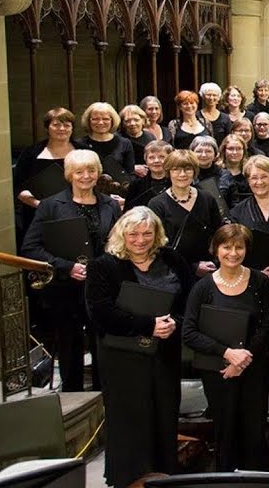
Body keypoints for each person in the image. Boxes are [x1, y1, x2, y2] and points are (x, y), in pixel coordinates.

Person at [85, 208, 196, 488]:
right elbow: (101, 313)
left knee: (164, 410)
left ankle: (164, 475)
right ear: (122, 234)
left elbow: (188, 303)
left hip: (164, 352)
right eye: (133, 233)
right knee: (129, 416)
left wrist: (174, 324)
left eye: (147, 233)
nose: (140, 239)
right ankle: (130, 477)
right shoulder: (103, 266)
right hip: (122, 356)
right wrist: (148, 325)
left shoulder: (173, 259)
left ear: (157, 234)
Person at [20, 150, 121, 391]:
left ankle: (101, 393)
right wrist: (67, 267)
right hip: (66, 289)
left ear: (98, 173)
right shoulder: (50, 206)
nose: (86, 176)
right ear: (69, 175)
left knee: (102, 342)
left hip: (102, 288)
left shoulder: (110, 205)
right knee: (69, 344)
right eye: (79, 171)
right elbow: (30, 248)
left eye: (91, 170)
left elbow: (117, 243)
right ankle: (73, 393)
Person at [182, 224, 269, 472]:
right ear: (215, 249)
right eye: (226, 247)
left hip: (255, 367)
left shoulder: (260, 281)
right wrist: (228, 355)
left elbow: (267, 325)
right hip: (218, 371)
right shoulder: (201, 287)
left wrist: (243, 360)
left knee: (255, 429)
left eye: (239, 247)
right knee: (226, 430)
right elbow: (189, 332)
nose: (233, 253)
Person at [148, 149, 225, 278]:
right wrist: (193, 267)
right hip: (173, 273)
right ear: (168, 172)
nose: (182, 174)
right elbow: (158, 246)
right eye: (176, 169)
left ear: (194, 171)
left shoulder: (208, 198)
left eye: (188, 169)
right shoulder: (156, 204)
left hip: (209, 269)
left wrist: (215, 262)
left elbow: (218, 235)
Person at [14, 107, 80, 239]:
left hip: (77, 213)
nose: (62, 129)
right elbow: (18, 187)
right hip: (37, 214)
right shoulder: (31, 153)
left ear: (72, 128)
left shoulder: (82, 150)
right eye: (56, 125)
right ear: (47, 128)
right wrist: (42, 206)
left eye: (66, 125)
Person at [80, 102, 136, 189]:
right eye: (95, 119)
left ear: (112, 120)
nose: (101, 122)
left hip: (119, 195)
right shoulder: (80, 145)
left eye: (105, 119)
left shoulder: (124, 143)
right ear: (88, 121)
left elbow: (130, 174)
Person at [126, 140, 172, 209]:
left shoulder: (176, 183)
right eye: (151, 157)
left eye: (161, 157)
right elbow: (128, 213)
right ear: (146, 160)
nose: (156, 161)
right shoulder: (136, 185)